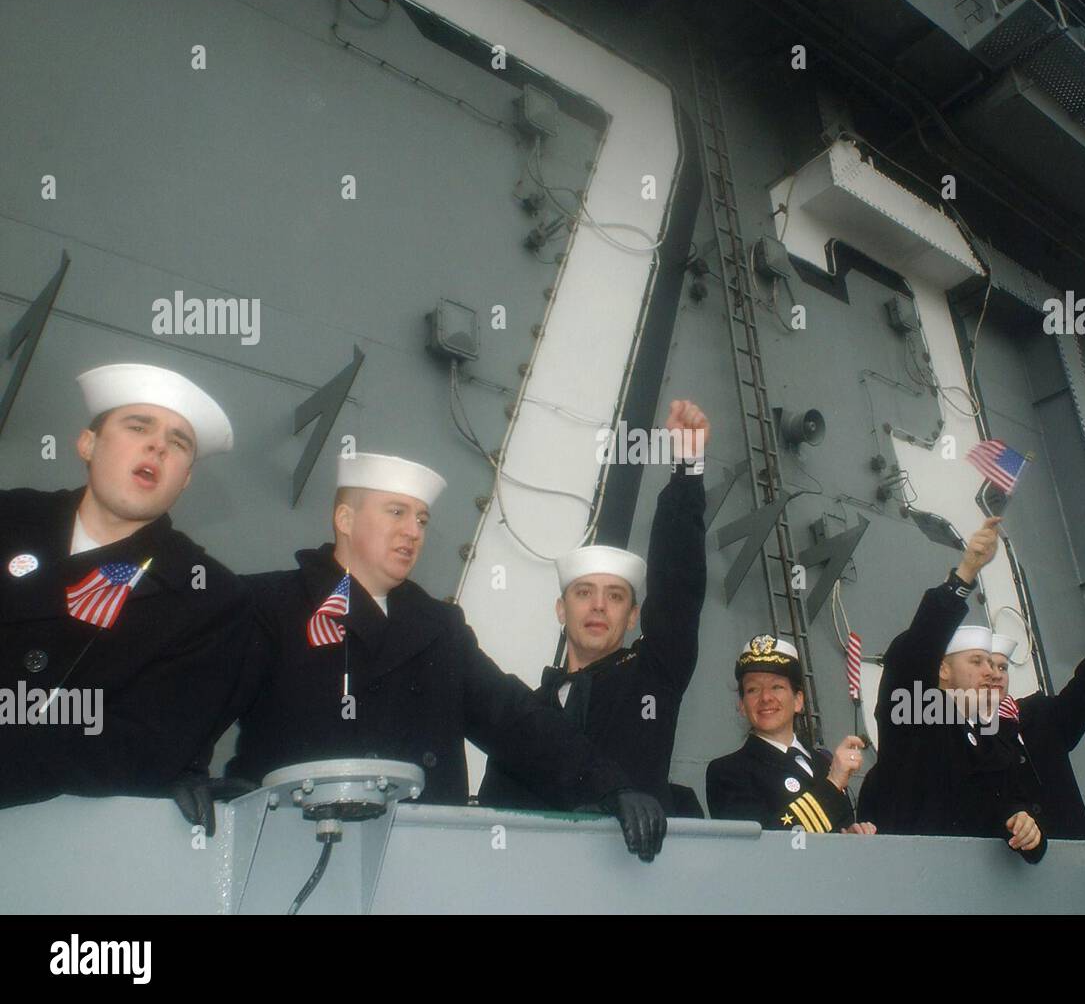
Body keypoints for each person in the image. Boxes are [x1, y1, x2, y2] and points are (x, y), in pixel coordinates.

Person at [226, 452, 666, 860]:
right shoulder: (268, 605)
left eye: (421, 519)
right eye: (396, 512)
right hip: (284, 849)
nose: (413, 531)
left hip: (418, 860)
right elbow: (197, 701)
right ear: (345, 518)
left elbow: (515, 720)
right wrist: (182, 774)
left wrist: (611, 788)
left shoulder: (438, 627)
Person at [0, 363, 249, 820]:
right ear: (88, 444)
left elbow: (143, 746)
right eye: (138, 427)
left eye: (179, 443)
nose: (158, 445)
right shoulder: (9, 519)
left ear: (185, 479)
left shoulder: (209, 597)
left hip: (66, 835)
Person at [479, 400, 708, 813]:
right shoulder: (528, 712)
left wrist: (686, 469)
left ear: (633, 616)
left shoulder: (652, 681)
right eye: (583, 593)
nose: (599, 606)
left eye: (616, 596)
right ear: (560, 611)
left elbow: (679, 587)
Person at [860, 517, 1045, 862]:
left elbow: (1011, 808)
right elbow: (912, 654)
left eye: (992, 664)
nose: (990, 672)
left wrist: (1028, 828)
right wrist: (964, 575)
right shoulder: (915, 715)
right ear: (942, 669)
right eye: (976, 662)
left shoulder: (992, 735)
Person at [989, 557, 1085, 839]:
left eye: (1002, 667)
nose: (996, 674)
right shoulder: (955, 737)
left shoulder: (1039, 717)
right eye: (983, 664)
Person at [706, 636, 874, 834]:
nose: (766, 697)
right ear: (742, 705)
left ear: (798, 701)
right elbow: (761, 847)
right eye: (752, 690)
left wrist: (849, 838)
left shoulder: (824, 764)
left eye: (777, 687)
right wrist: (834, 784)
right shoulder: (728, 772)